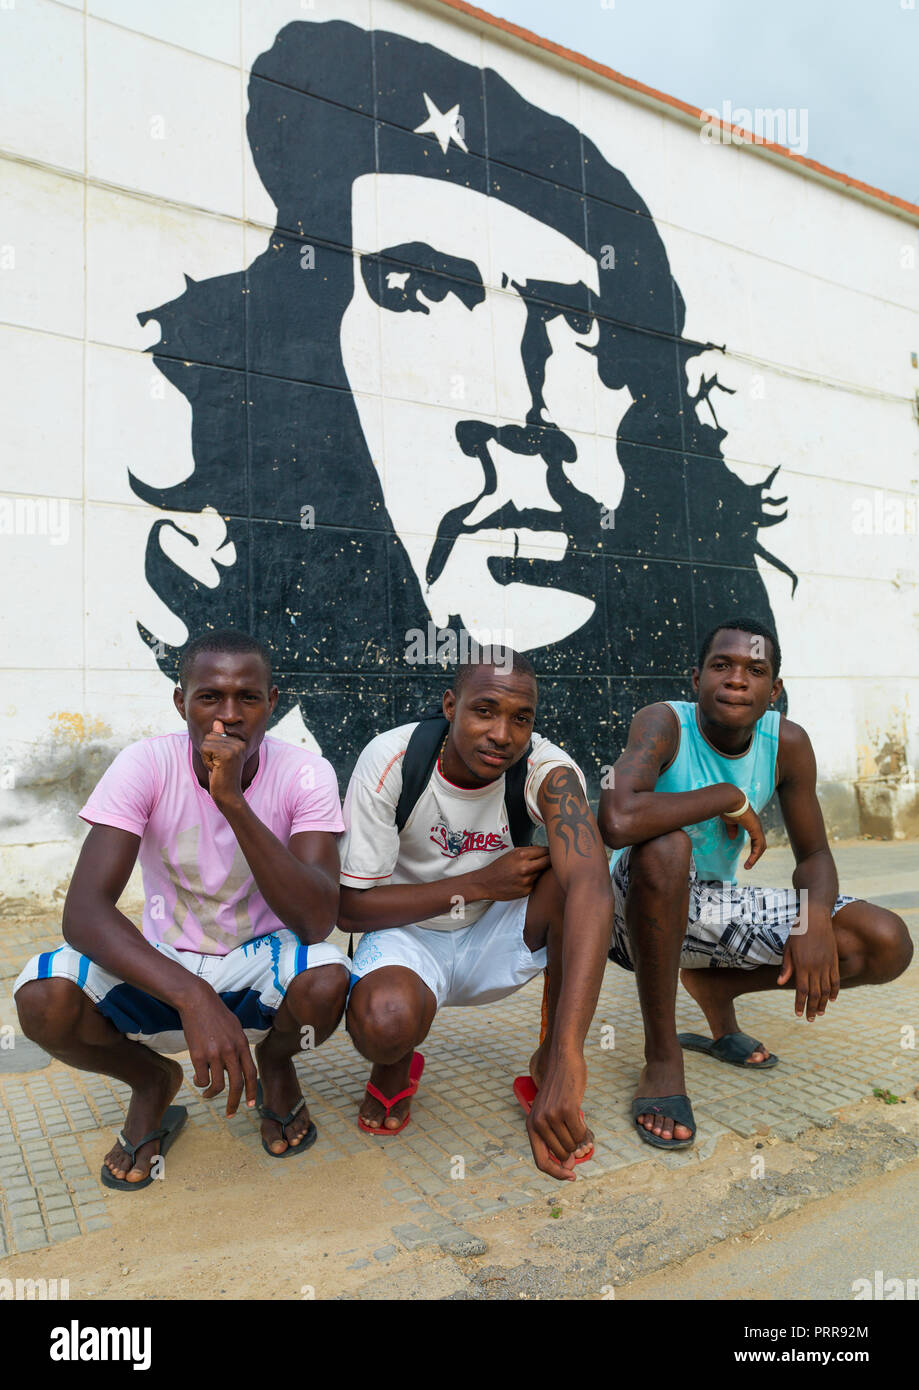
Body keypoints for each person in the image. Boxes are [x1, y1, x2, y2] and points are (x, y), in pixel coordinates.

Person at [128, 15, 791, 785]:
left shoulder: (679, 733)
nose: (518, 413)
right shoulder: (294, 765)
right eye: (418, 289)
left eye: (572, 317)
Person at [14, 631, 349, 1188]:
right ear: (180, 703)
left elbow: (316, 920)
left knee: (327, 979)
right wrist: (193, 997)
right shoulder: (145, 763)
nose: (229, 714)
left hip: (258, 958)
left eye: (248, 697)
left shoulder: (306, 773)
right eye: (209, 697)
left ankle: (276, 1064)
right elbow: (84, 913)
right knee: (43, 999)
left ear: (272, 703)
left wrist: (233, 801)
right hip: (163, 959)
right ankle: (151, 1083)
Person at [598, 617, 913, 1149]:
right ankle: (662, 1056)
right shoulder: (663, 723)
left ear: (775, 690)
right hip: (627, 916)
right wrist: (726, 796)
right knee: (665, 844)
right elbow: (618, 819)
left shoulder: (786, 743)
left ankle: (718, 985)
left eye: (755, 669)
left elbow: (814, 853)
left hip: (708, 911)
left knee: (883, 943)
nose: (737, 679)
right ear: (695, 677)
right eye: (722, 665)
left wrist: (812, 918)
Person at [339, 648, 613, 1181]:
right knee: (385, 1021)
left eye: (521, 718)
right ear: (450, 705)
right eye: (484, 710)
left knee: (577, 874)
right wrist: (480, 882)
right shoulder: (393, 759)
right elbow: (352, 908)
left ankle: (547, 1067)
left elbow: (593, 891)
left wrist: (569, 1057)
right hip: (406, 934)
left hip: (495, 931)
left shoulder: (547, 771)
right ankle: (395, 1061)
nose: (503, 734)